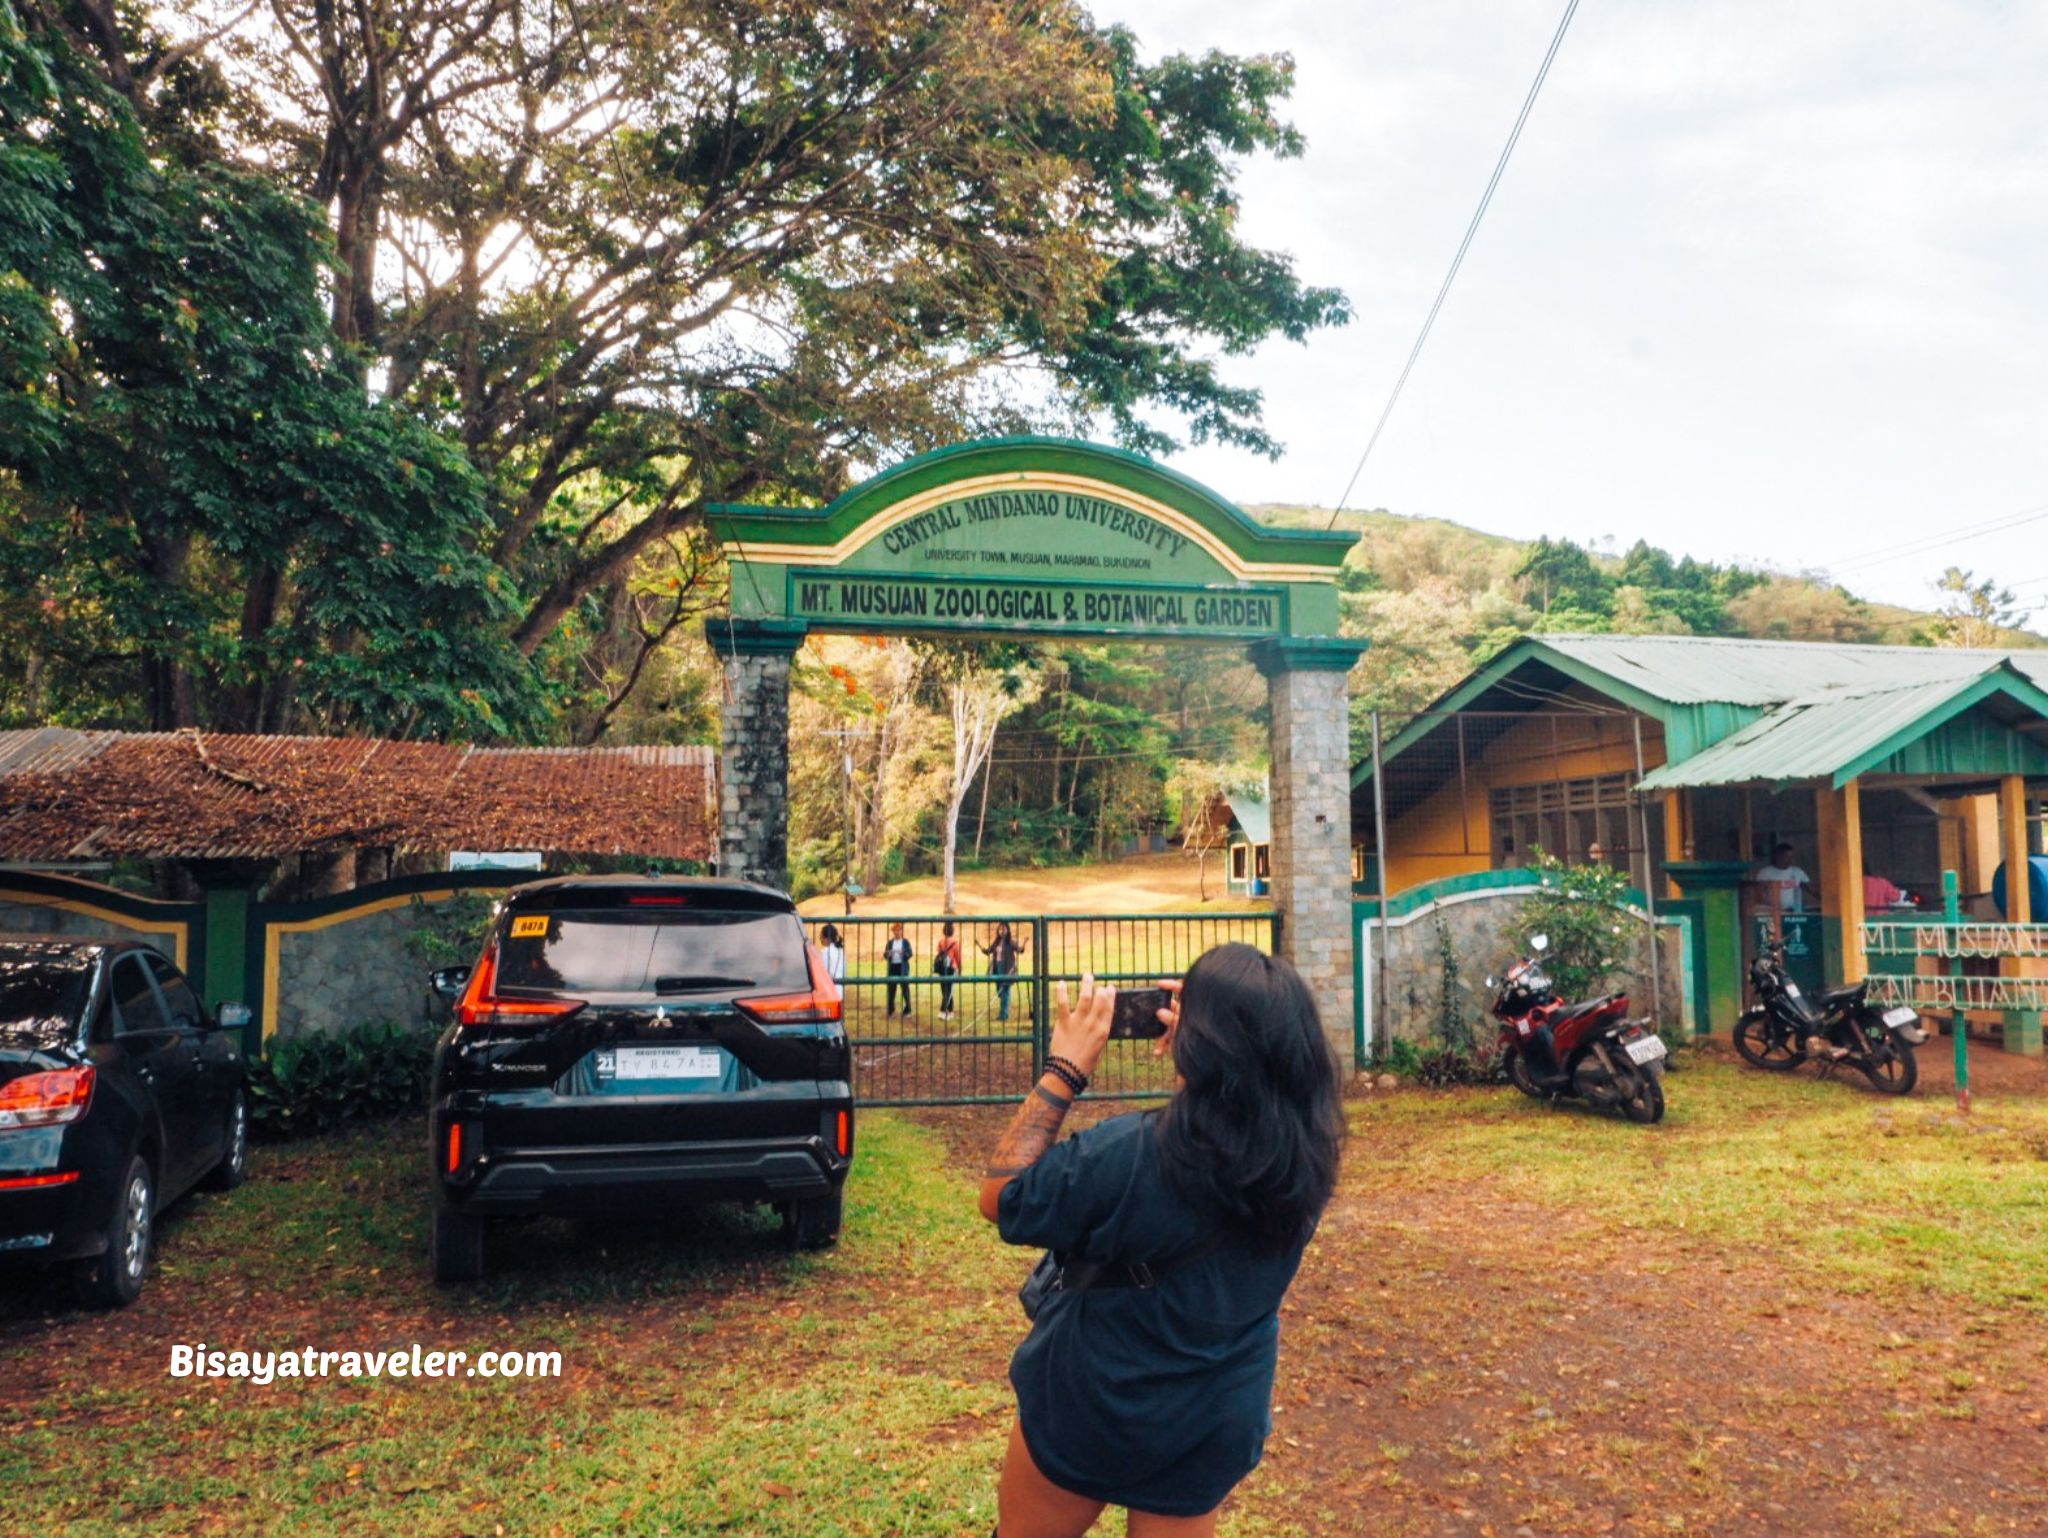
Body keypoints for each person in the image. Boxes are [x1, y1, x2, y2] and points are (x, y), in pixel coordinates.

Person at [978, 945, 1343, 1538]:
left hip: (1096, 1404)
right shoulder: (1310, 1154)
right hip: (1214, 1414)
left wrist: (1064, 1068)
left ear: (1196, 1040)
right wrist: (1213, 1044)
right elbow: (1252, 1096)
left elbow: (1000, 1196)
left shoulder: (1130, 1154)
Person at [983, 922, 1027, 1023]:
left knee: (1005, 990)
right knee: (1000, 990)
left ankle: (1004, 1014)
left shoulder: (1010, 942)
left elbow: (1020, 950)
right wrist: (980, 947)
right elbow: (989, 950)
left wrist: (1024, 942)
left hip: (1007, 968)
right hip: (998, 967)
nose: (1002, 931)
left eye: (1004, 929)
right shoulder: (997, 942)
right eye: (1000, 929)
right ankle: (1004, 1011)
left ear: (1008, 931)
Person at [1752, 842, 1814, 912]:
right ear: (1777, 856)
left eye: (1791, 857)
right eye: (1786, 857)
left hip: (1794, 910)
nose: (1790, 860)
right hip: (1772, 912)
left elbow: (1811, 889)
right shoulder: (1765, 873)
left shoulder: (1798, 872)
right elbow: (1759, 894)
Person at [884, 922, 914, 1018]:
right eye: (895, 930)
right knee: (891, 990)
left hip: (902, 967)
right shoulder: (890, 943)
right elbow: (885, 954)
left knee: (905, 990)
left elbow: (910, 953)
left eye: (899, 930)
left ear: (901, 931)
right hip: (893, 967)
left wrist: (903, 954)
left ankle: (907, 1009)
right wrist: (889, 954)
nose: (897, 932)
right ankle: (890, 1010)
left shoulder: (905, 942)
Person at [935, 921, 963, 1019]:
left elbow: (938, 953)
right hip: (952, 968)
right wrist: (960, 969)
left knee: (945, 991)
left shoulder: (940, 942)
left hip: (942, 968)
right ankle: (944, 1011)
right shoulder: (955, 943)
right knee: (949, 991)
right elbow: (958, 957)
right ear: (952, 931)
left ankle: (950, 1011)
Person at [819, 924, 846, 993]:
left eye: (821, 936)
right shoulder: (841, 951)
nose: (820, 938)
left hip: (829, 992)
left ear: (827, 938)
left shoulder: (825, 951)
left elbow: (822, 973)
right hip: (840, 991)